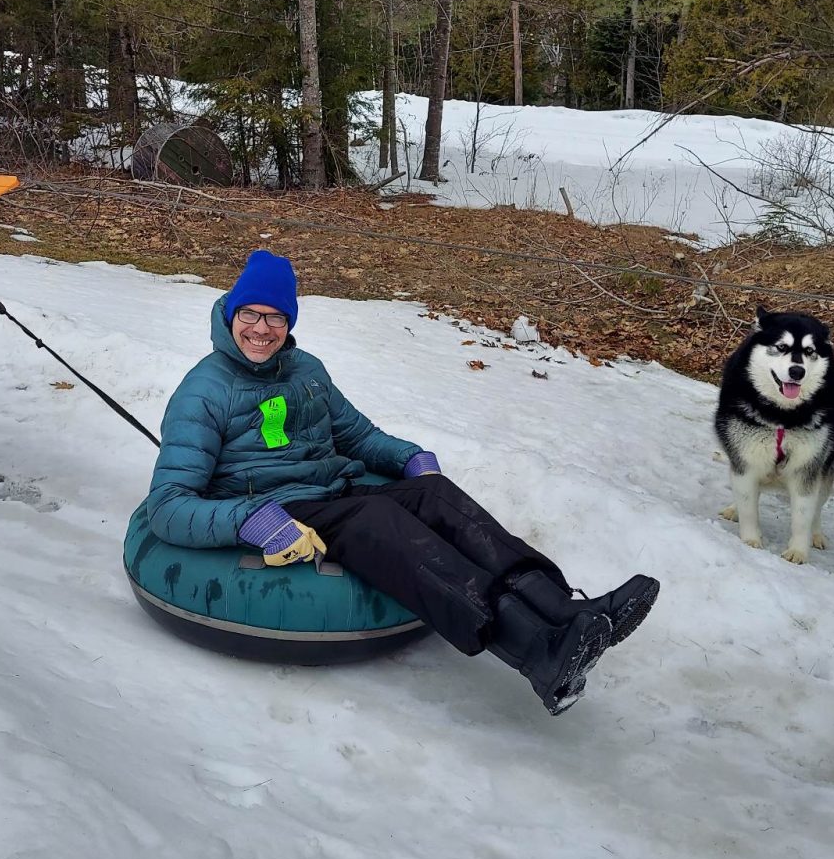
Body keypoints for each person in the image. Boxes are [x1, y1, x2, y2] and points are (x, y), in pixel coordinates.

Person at [148, 250, 659, 714]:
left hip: (333, 487)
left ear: (290, 322)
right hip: (276, 504)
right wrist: (248, 521)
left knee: (435, 496)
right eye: (251, 315)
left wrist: (410, 457)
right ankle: (537, 652)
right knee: (380, 520)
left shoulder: (305, 370)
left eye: (276, 316)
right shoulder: (204, 392)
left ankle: (564, 610)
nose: (262, 328)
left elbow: (355, 433)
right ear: (231, 315)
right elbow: (168, 505)